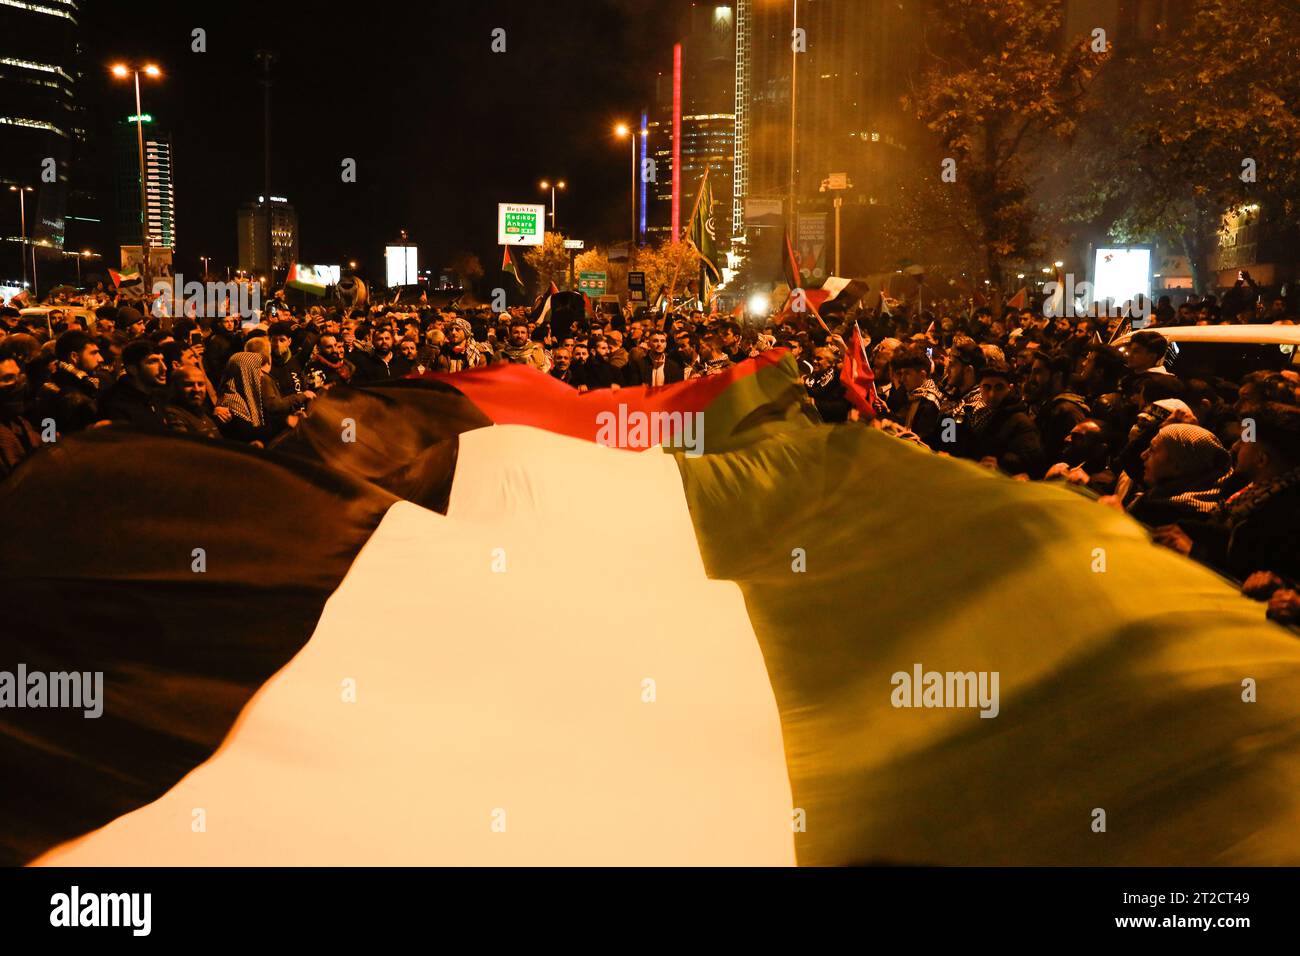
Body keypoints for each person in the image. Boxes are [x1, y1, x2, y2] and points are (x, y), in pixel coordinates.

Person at [1119, 424, 1232, 526]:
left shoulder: (1169, 516)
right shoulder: (1165, 496)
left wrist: (1117, 515)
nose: (1143, 455)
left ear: (1179, 465)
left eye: (1152, 450)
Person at [964, 362, 1043, 477]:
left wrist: (1001, 467)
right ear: (979, 388)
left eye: (999, 387)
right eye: (987, 387)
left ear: (1009, 389)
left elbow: (1033, 465)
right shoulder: (981, 414)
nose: (992, 394)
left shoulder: (1021, 423)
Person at [97, 339, 169, 431]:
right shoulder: (115, 405)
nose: (164, 368)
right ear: (132, 369)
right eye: (153, 362)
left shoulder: (155, 397)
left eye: (162, 360)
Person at [164, 366, 222, 439]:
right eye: (189, 384)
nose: (196, 389)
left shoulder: (204, 415)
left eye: (200, 384)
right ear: (175, 387)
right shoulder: (173, 415)